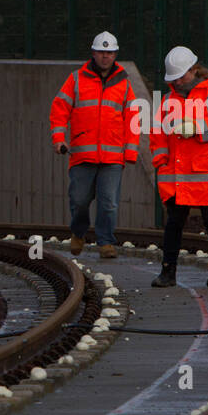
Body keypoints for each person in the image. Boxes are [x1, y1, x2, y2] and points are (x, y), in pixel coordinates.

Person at [49, 31, 139, 258]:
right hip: (82, 155)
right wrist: (58, 140)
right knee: (79, 201)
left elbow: (133, 117)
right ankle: (78, 233)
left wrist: (130, 150)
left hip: (113, 157)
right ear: (93, 53)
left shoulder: (124, 83)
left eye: (109, 53)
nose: (105, 56)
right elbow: (59, 109)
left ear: (115, 54)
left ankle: (105, 242)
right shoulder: (76, 79)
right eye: (101, 52)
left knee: (109, 203)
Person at [150, 46, 208, 288]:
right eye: (173, 77)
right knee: (174, 222)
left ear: (194, 70)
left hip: (206, 173)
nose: (177, 81)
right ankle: (168, 272)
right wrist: (161, 161)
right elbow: (158, 134)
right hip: (177, 173)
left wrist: (196, 128)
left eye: (181, 76)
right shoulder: (167, 100)